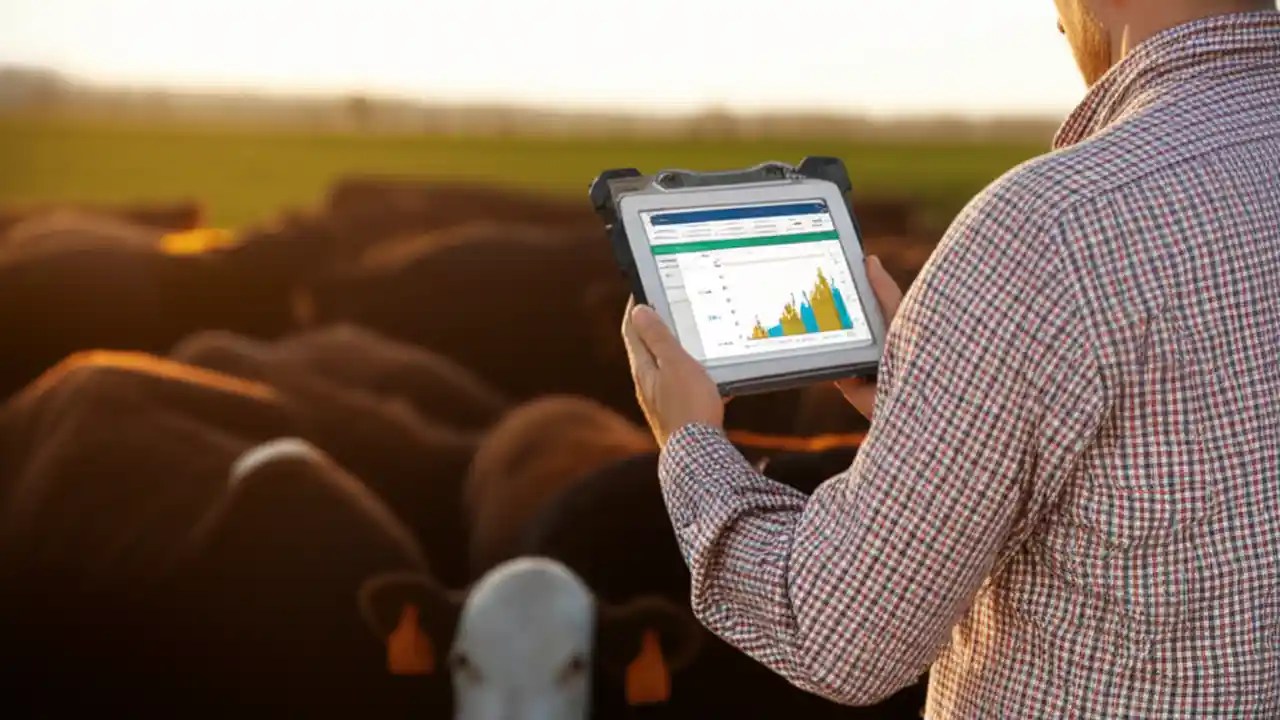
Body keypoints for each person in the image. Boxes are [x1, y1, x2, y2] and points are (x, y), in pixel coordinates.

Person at [620, 1, 1280, 717]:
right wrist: (951, 390)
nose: (1056, 22)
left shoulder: (1047, 229)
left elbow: (839, 633)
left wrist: (688, 443)